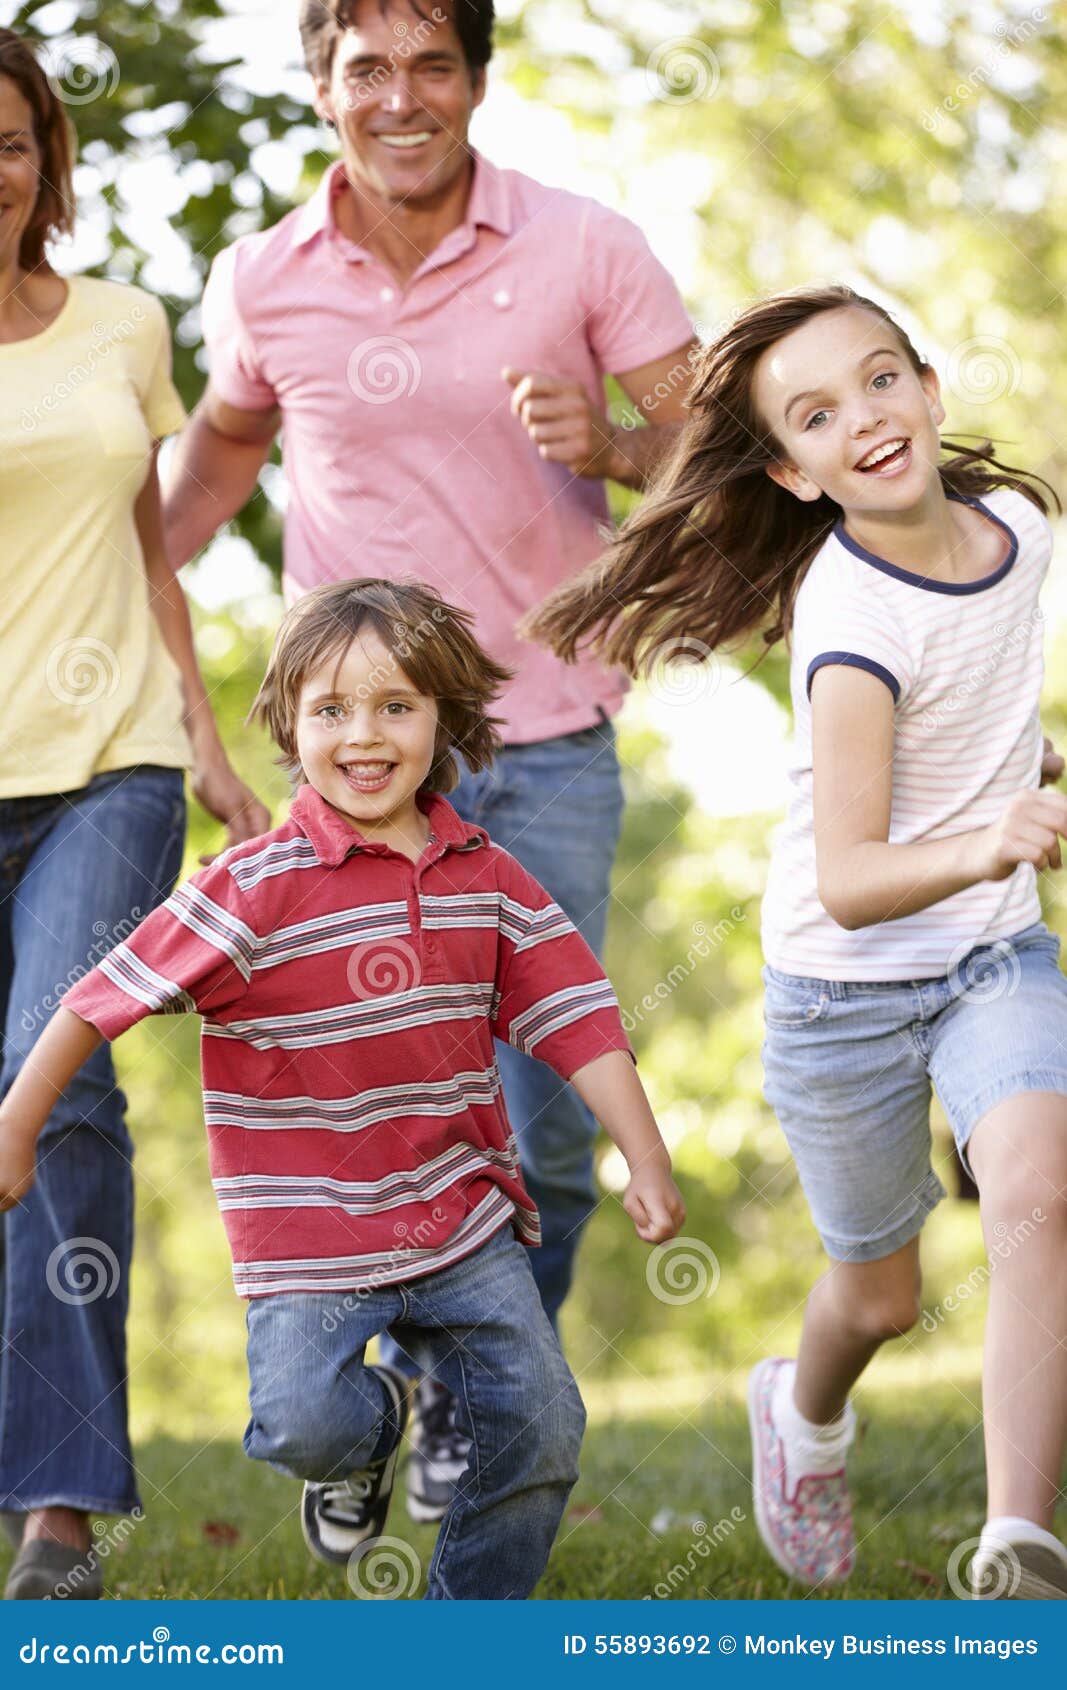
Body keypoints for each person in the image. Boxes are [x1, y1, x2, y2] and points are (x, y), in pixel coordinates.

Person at [161, 0, 697, 1522]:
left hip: (546, 744)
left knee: (548, 1136)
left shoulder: (583, 245)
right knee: (363, 1120)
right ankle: (367, 1405)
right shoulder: (263, 275)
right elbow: (216, 458)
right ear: (323, 87)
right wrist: (104, 580)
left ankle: (450, 1391)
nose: (400, 98)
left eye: (431, 65)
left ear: (473, 80)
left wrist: (612, 445)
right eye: (367, 68)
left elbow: (720, 450)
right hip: (355, 772)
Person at [526, 285, 1067, 1600]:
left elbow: (978, 701)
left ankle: (1017, 1540)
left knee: (1038, 1193)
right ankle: (800, 1410)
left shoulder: (1020, 530)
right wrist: (988, 835)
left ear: (926, 388)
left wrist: (1018, 769)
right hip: (842, 988)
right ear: (790, 471)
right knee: (879, 1299)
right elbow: (850, 877)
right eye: (814, 416)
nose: (862, 419)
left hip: (990, 956)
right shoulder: (847, 619)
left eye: (878, 380)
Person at [0, 579, 686, 1599]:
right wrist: (18, 1125)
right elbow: (100, 999)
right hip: (308, 1238)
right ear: (291, 725)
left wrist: (646, 1155)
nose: (362, 735)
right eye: (330, 709)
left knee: (541, 1426)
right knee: (301, 1426)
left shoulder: (486, 877)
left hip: (461, 1219)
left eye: (395, 705)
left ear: (443, 718)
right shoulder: (251, 888)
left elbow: (578, 1016)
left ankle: (468, 1633)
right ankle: (370, 1440)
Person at [0, 30, 268, 1601]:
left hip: (113, 761)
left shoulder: (120, 323)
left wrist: (209, 742)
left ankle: (57, 1506)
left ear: (47, 158)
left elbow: (148, 550)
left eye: (12, 140)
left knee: (58, 1085)